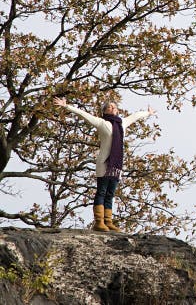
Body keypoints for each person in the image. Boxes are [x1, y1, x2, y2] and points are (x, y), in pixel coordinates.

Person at [53, 96, 157, 232]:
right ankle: (99, 222)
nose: (112, 108)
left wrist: (148, 113)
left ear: (117, 110)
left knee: (110, 193)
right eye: (109, 107)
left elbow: (136, 116)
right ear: (105, 111)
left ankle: (108, 222)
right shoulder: (102, 123)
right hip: (104, 163)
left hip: (116, 166)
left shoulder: (122, 123)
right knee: (101, 191)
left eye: (114, 107)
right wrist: (66, 106)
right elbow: (84, 114)